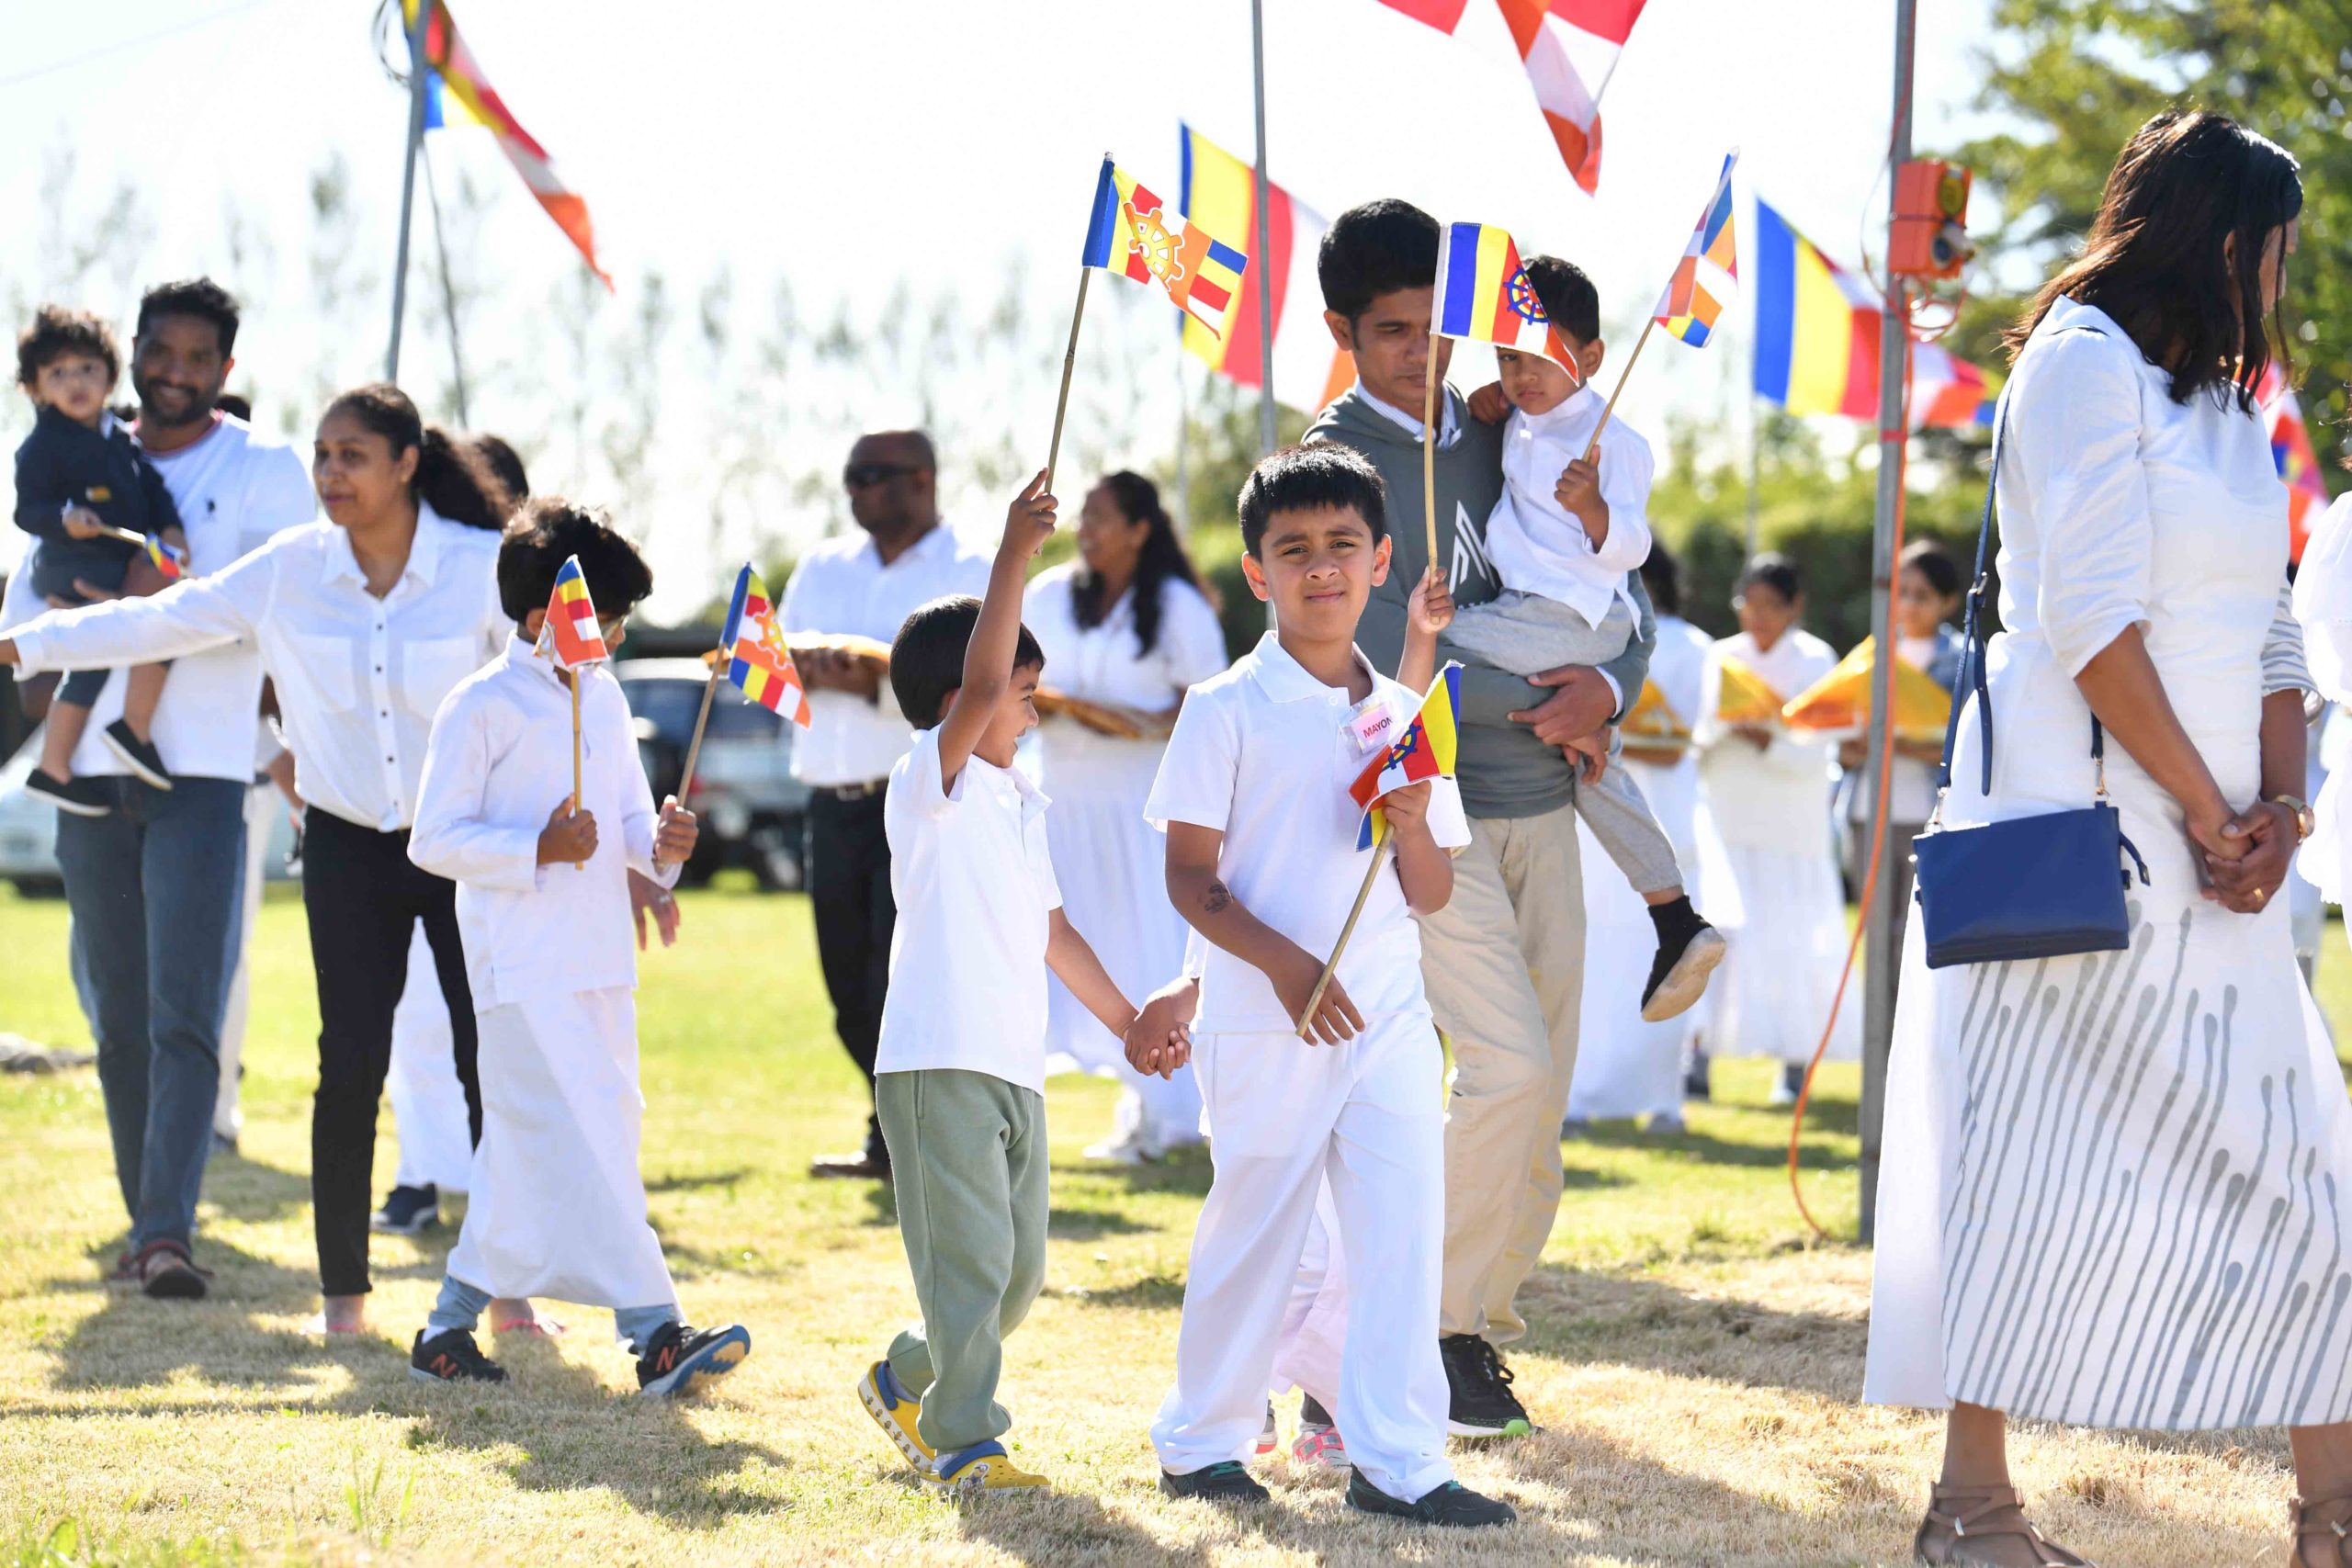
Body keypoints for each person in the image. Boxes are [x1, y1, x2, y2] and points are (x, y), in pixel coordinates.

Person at [1868, 111, 2352, 1568]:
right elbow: (2086, 616)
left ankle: (2330, 1519)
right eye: (2270, 247)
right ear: (2214, 235)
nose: (2278, 278)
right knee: (2022, 1160)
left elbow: (2271, 621)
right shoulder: (2076, 362)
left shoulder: (2228, 409)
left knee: (2305, 1163)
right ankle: (1970, 1511)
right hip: (2081, 832)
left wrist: (2281, 805)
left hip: (2224, 858)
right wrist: (2208, 813)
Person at [1, 382, 513, 1331]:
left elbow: (556, 684)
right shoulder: (289, 569)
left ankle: (510, 1290)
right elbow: (160, 620)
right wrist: (20, 645)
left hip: (463, 844)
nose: (329, 474)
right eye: (321, 454)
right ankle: (345, 1302)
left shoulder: (482, 568)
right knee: (347, 1065)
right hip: (347, 847)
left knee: (493, 1060)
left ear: (407, 463)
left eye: (352, 455)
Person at [1306, 197, 1653, 1438]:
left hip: (1544, 795)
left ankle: (1477, 1331)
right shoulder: (1328, 465)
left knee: (1540, 1083)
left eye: (1436, 328)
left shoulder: (1516, 416)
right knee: (1498, 1064)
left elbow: (1619, 593)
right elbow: (1340, 661)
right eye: (1392, 332)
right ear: (1341, 330)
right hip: (1424, 813)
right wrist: (1459, 743)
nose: (1424, 354)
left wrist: (1610, 685)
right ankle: (1421, 1336)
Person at [1143, 444, 1507, 1527]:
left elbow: (1432, 889)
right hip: (1266, 1021)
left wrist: (1407, 826)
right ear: (1256, 571)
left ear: (1380, 558)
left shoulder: (1405, 710)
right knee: (1253, 1230)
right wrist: (1289, 968)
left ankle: (1398, 1463)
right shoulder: (1223, 706)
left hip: (1390, 1016)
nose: (1319, 569)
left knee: (1401, 1234)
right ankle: (1201, 1442)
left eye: (1341, 546)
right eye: (1292, 551)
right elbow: (1188, 877)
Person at [852, 476, 1169, 1491]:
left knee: (1016, 1276)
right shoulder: (927, 782)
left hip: (1010, 1064)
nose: (1029, 712)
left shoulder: (1022, 802)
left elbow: (1053, 930)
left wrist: (1124, 1021)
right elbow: (984, 689)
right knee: (973, 1269)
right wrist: (1012, 557)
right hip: (937, 1060)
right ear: (962, 703)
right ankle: (963, 1441)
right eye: (1024, 694)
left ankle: (904, 1373)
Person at [0, 278, 312, 1298]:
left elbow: (269, 606)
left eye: (198, 359)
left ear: (227, 369)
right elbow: (34, 598)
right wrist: (127, 600)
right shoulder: (88, 446)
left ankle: (167, 1230)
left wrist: (146, 606)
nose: (174, 375)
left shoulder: (264, 467)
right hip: (84, 775)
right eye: (158, 354)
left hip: (206, 772)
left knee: (187, 1009)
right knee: (115, 1016)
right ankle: (148, 1214)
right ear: (131, 352)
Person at [403, 498, 748, 1394]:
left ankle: (446, 1327)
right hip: (519, 965)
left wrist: (663, 849)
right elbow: (432, 839)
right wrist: (536, 849)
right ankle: (656, 1335)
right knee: (588, 1138)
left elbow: (634, 829)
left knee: (552, 1144)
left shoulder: (603, 695)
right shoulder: (478, 704)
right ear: (539, 614)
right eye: (610, 615)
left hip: (599, 959)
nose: (621, 634)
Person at [1437, 255, 1721, 1021]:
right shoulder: (1524, 416)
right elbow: (1505, 409)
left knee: (1432, 641)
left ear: (1592, 359)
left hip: (1565, 616)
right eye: (1507, 356)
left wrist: (1595, 509)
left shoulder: (1612, 440)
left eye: (1540, 356)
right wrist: (1496, 396)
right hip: (1552, 617)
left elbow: (1632, 548)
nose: (1522, 373)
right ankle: (1675, 915)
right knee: (1594, 766)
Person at [779, 430, 990, 1179]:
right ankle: (893, 1129)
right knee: (846, 983)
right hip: (829, 801)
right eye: (851, 475)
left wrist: (871, 684)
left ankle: (910, 1137)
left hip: (917, 804)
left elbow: (981, 686)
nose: (856, 489)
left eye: (872, 475)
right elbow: (774, 663)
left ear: (922, 479)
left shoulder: (971, 567)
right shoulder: (821, 566)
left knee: (899, 978)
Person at [1024, 469, 1227, 1162]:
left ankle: (1169, 1110)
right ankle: (1123, 1101)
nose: (1085, 529)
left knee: (1149, 948)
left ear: (1140, 529)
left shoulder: (1178, 606)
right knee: (1075, 948)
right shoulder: (1049, 596)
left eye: (1101, 517)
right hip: (1063, 802)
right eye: (1082, 516)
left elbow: (1209, 709)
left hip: (1144, 807)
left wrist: (1136, 723)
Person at [1688, 554, 1854, 1104]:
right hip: (1728, 814)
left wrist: (1773, 739)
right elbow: (1692, 732)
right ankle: (1699, 1056)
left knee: (1794, 941)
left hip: (1791, 823)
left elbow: (1824, 739)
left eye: (1770, 608)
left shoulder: (1815, 658)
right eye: (1748, 606)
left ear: (1794, 607)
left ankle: (1794, 1061)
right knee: (1717, 941)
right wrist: (1726, 730)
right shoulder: (1718, 656)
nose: (1757, 618)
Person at [1565, 543, 1719, 1133]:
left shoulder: (1674, 645)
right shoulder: (1601, 634)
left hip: (1652, 813)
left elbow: (1686, 740)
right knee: (1611, 953)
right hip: (1616, 813)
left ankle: (1658, 1098)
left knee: (1657, 952)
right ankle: (1601, 1094)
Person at [12, 304, 185, 815]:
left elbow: (151, 489)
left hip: (107, 561)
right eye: (58, 373)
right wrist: (66, 517)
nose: (76, 382)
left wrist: (171, 528)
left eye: (87, 368)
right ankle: (130, 730)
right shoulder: (44, 444)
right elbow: (28, 510)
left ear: (110, 376)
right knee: (158, 625)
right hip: (75, 564)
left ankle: (56, 766)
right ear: (36, 389)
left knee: (94, 661)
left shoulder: (120, 436)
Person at [1836, 539, 1965, 987]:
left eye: (1921, 595)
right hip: (1866, 812)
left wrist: (1891, 745)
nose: (1907, 604)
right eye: (1901, 591)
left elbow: (1964, 747)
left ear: (1947, 602)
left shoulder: (1963, 658)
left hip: (1928, 814)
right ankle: (1879, 1043)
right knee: (1875, 936)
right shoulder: (1868, 654)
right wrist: (1852, 748)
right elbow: (1844, 739)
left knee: (1916, 934)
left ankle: (1909, 1044)